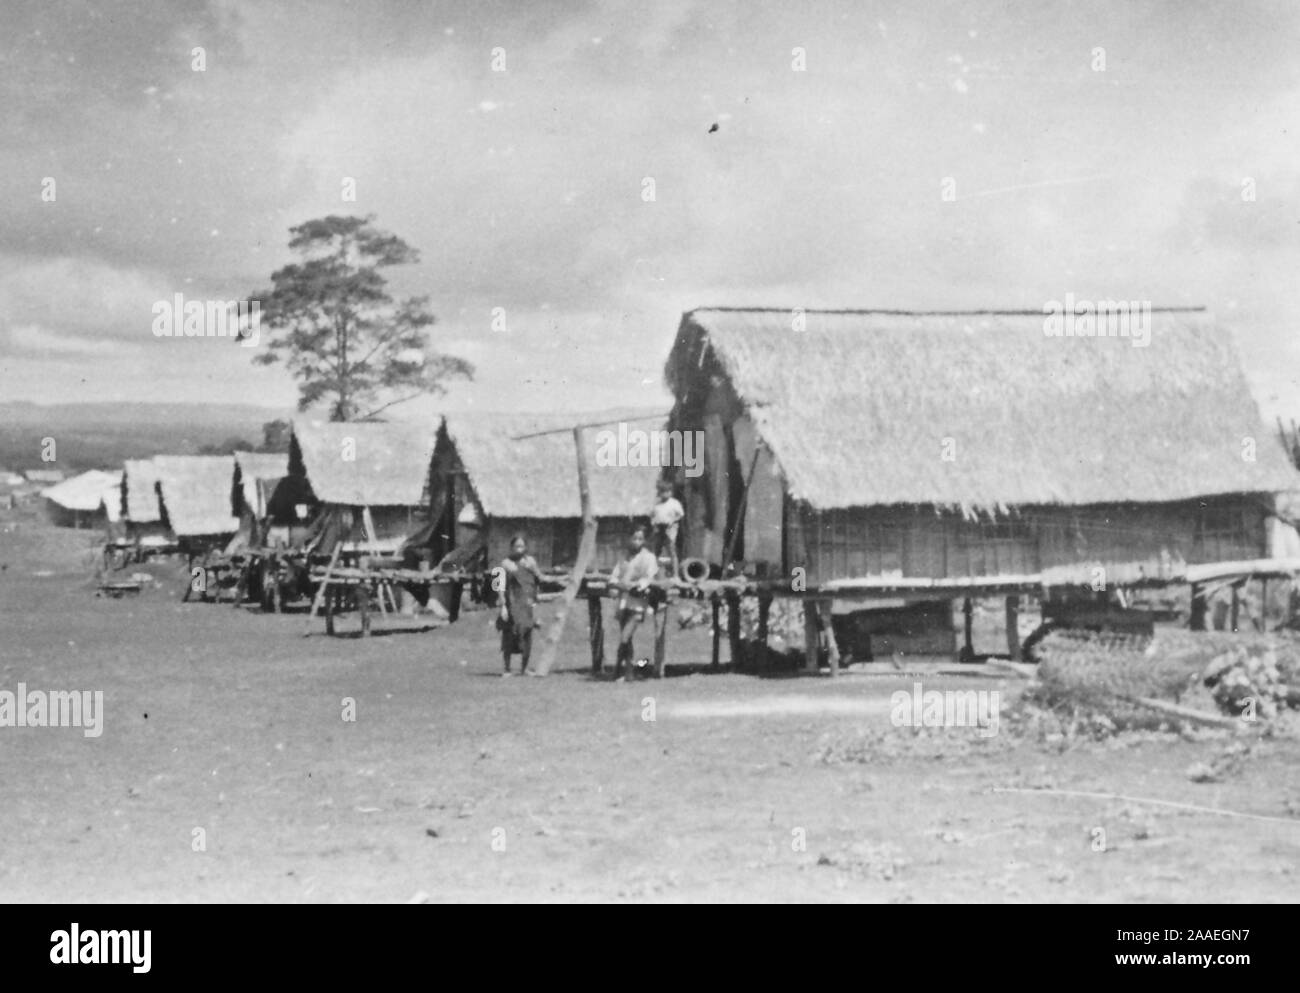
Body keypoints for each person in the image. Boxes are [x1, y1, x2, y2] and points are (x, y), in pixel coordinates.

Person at [610, 526, 659, 681]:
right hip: (623, 602)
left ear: (644, 540)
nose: (637, 541)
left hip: (638, 602)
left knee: (625, 636)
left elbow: (649, 577)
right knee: (626, 639)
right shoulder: (624, 557)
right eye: (634, 538)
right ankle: (628, 672)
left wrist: (636, 585)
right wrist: (617, 584)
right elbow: (614, 577)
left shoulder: (648, 557)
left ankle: (618, 669)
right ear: (629, 539)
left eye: (640, 538)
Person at [497, 534, 542, 677]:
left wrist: (536, 601)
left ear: (526, 547)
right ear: (511, 547)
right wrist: (503, 606)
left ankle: (524, 669)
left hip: (527, 603)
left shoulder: (530, 562)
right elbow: (499, 586)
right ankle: (507, 669)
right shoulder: (505, 564)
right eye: (516, 546)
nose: (519, 549)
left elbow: (538, 579)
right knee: (509, 634)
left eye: (522, 546)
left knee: (527, 634)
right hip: (512, 602)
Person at [650, 480, 684, 579]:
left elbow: (680, 515)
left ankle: (676, 574)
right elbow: (652, 515)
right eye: (663, 492)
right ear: (659, 492)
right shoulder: (657, 504)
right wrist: (654, 523)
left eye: (668, 491)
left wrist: (672, 521)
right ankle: (653, 574)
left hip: (670, 528)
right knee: (656, 551)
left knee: (672, 551)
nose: (666, 494)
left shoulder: (674, 503)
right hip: (659, 527)